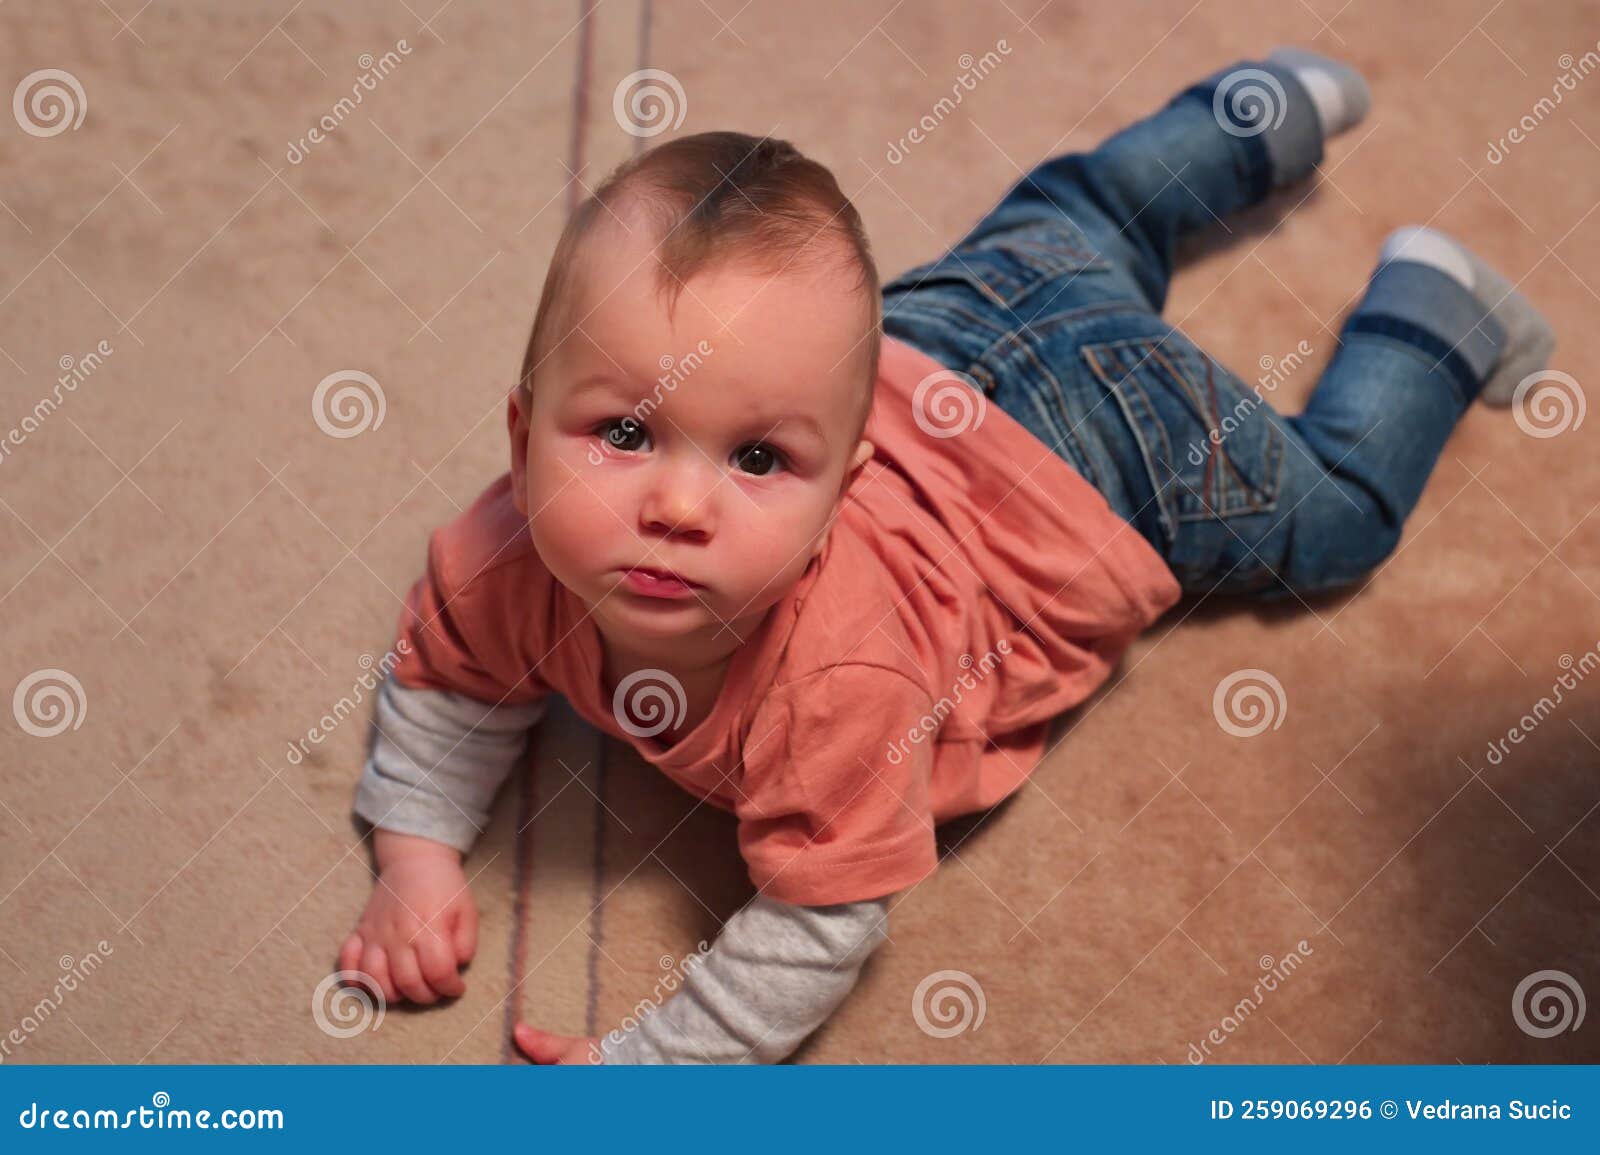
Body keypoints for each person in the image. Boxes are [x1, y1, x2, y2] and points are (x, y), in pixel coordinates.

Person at [340, 47, 1555, 1063]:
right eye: (623, 431)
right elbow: (445, 679)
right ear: (519, 435)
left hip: (1119, 455)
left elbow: (819, 922)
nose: (676, 506)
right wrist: (416, 857)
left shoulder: (839, 690)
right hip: (935, 337)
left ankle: (1432, 311)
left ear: (842, 491)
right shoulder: (503, 553)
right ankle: (1252, 115)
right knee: (1075, 221)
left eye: (757, 461)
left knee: (1332, 514)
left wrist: (656, 1072)